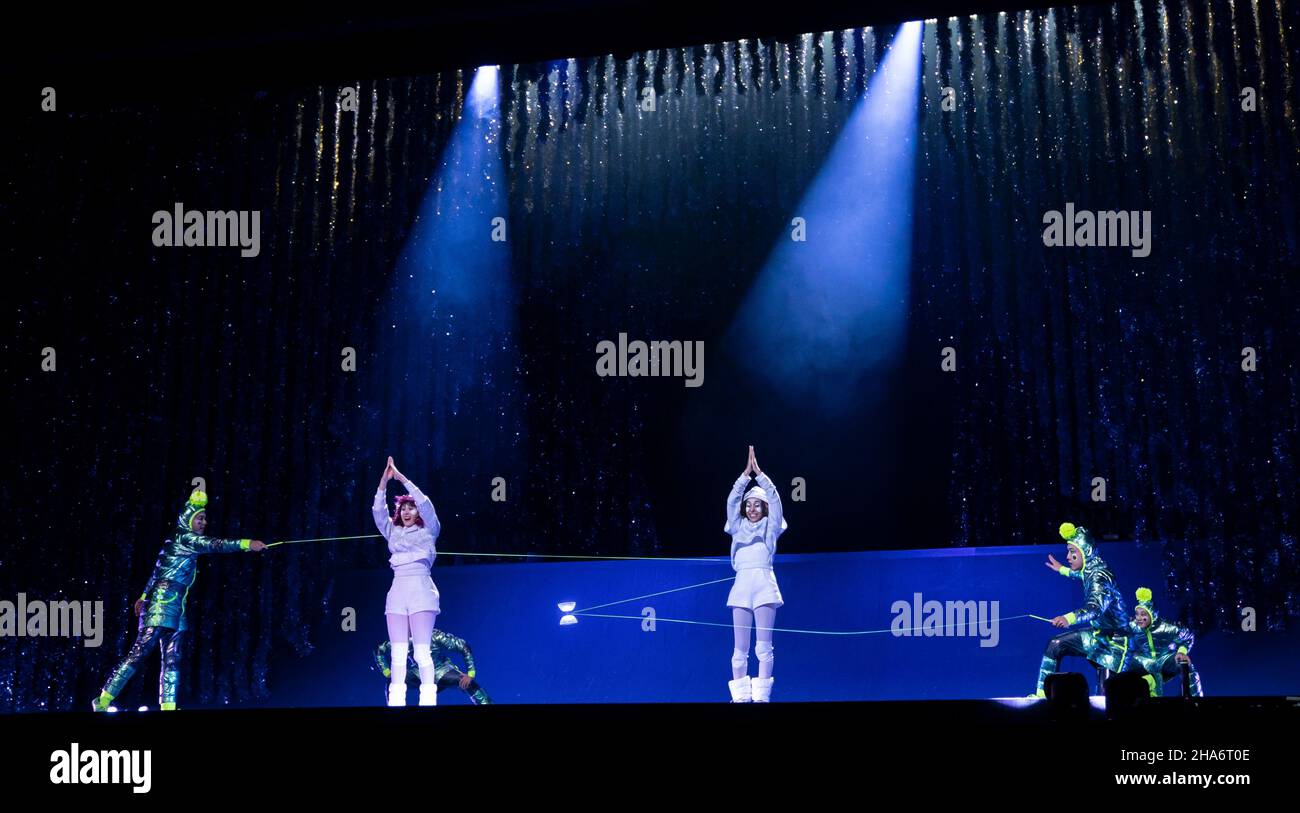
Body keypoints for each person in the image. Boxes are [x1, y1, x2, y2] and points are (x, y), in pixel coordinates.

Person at [92, 490, 266, 711]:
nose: (204, 522)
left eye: (205, 518)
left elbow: (156, 571)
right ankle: (103, 700)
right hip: (162, 602)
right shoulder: (184, 538)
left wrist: (143, 596)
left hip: (177, 604)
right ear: (188, 519)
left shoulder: (176, 540)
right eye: (200, 518)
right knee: (140, 652)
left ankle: (168, 707)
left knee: (172, 660)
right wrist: (246, 543)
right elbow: (216, 544)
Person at [1029, 522, 1130, 698]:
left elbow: (1095, 608)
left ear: (1086, 552)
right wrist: (1062, 569)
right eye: (1068, 551)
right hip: (1098, 635)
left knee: (1106, 697)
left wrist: (1069, 618)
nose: (1068, 556)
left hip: (1116, 642)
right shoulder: (1090, 570)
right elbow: (1081, 574)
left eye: (1072, 552)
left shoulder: (1099, 576)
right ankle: (1041, 697)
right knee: (1055, 646)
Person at [374, 456, 442, 706]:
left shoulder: (429, 530)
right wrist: (383, 482)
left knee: (423, 652)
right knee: (398, 655)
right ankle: (396, 703)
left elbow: (426, 505)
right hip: (397, 592)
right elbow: (379, 513)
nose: (406, 511)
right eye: (403, 508)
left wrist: (402, 479)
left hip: (421, 591)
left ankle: (428, 702)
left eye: (410, 508)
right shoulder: (393, 532)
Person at [724, 446, 787, 703]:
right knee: (740, 650)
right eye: (748, 505)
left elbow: (776, 500)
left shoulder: (771, 528)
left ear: (763, 507)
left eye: (756, 505)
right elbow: (730, 502)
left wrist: (759, 475)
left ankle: (762, 698)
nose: (752, 508)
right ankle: (740, 699)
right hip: (741, 586)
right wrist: (744, 476)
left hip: (764, 585)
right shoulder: (738, 529)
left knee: (763, 647)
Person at [1121, 587, 1203, 697]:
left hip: (1165, 660)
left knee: (1187, 666)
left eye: (1143, 614)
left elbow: (1188, 637)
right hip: (1145, 661)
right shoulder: (1133, 625)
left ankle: (1196, 701)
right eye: (1137, 614)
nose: (1139, 618)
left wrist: (1182, 652)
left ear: (1151, 615)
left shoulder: (1168, 627)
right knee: (1123, 665)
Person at [373, 629, 491, 705]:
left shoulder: (435, 636)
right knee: (392, 681)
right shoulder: (403, 640)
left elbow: (463, 646)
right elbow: (379, 650)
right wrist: (387, 672)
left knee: (469, 684)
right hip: (418, 673)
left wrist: (471, 674)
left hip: (441, 672)